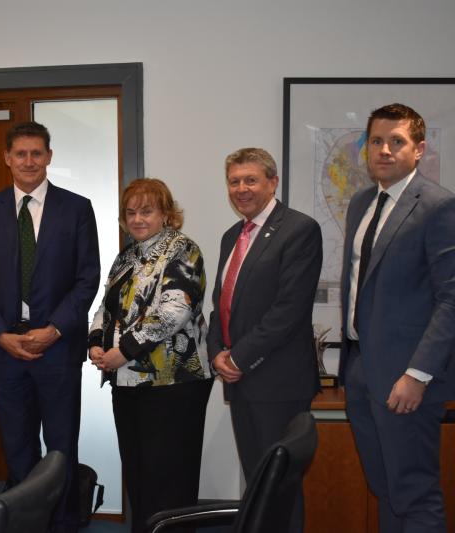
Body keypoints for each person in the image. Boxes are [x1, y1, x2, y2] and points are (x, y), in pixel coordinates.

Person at [0, 121, 101, 533]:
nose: (29, 161)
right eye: (20, 154)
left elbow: (88, 278)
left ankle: (62, 525)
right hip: (6, 352)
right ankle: (25, 526)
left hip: (57, 349)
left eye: (37, 153)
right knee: (18, 448)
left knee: (61, 447)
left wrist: (56, 329)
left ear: (49, 156)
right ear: (7, 159)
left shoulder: (76, 208)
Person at [339, 103, 455, 533]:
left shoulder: (438, 206)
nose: (384, 149)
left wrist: (418, 374)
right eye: (376, 141)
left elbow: (451, 299)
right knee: (385, 487)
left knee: (416, 493)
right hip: (361, 371)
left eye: (397, 141)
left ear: (419, 149)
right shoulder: (362, 204)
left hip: (407, 379)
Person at [207, 147, 322, 533]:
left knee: (281, 489)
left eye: (251, 180)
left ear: (272, 182)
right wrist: (216, 355)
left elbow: (288, 311)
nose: (242, 188)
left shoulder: (299, 230)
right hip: (241, 382)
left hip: (278, 383)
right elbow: (220, 307)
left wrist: (237, 359)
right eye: (235, 181)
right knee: (258, 484)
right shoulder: (232, 235)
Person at [88, 178, 213, 533]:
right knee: (140, 478)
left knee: (170, 482)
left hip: (173, 385)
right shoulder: (126, 256)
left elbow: (174, 312)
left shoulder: (182, 250)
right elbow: (105, 308)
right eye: (132, 212)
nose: (138, 219)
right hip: (127, 384)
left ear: (166, 213)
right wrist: (96, 343)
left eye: (147, 210)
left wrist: (121, 352)